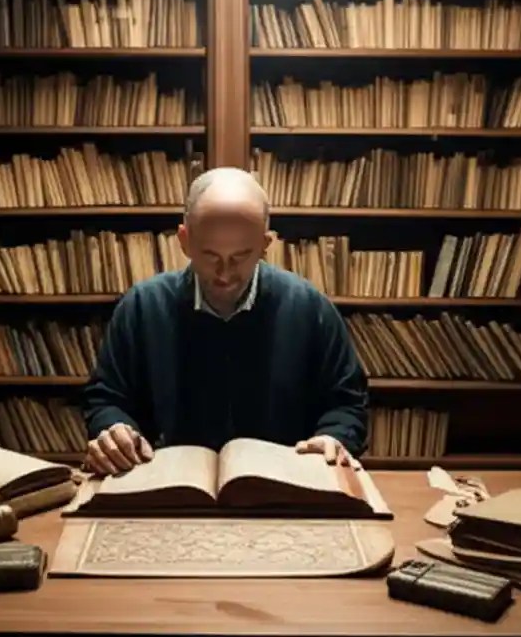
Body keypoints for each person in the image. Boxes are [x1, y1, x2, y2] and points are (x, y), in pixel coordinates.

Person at [80, 166, 369, 475]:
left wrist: (333, 437)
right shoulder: (141, 306)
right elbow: (105, 397)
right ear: (184, 240)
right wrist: (113, 429)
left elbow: (347, 402)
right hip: (166, 489)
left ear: (265, 244)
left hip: (283, 487)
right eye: (210, 256)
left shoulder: (310, 307)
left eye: (240, 257)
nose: (225, 274)